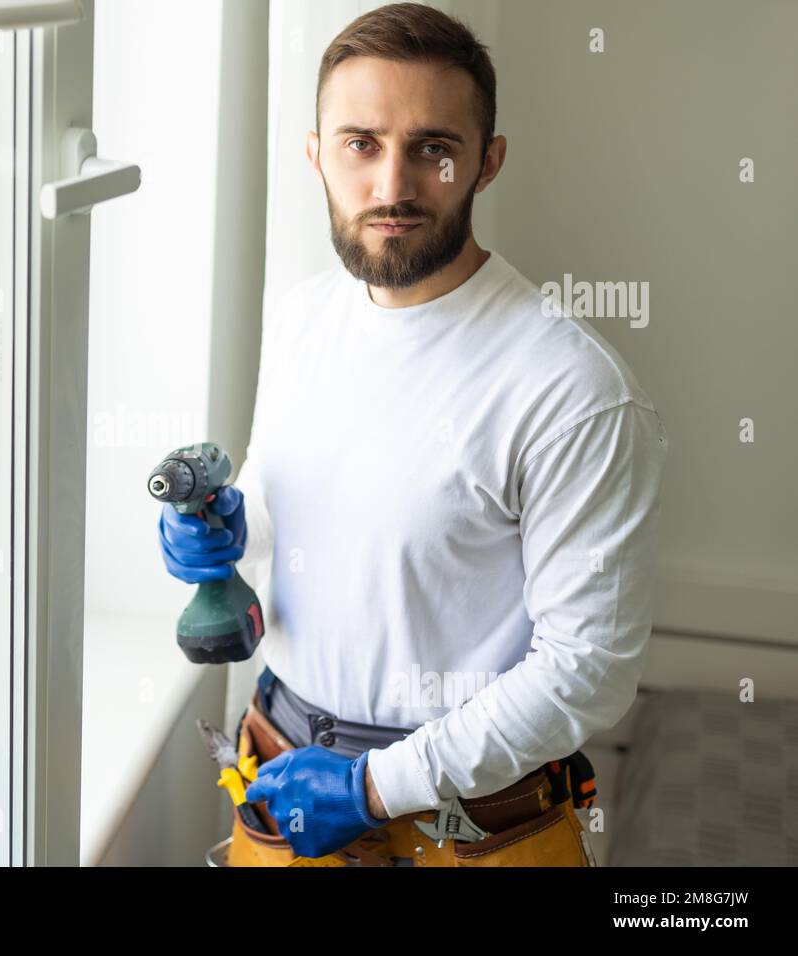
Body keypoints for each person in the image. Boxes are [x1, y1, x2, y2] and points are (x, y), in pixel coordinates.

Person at [158, 2, 668, 863]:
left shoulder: (572, 388)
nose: (392, 185)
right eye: (360, 143)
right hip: (276, 776)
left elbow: (588, 671)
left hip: (467, 827)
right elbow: (291, 511)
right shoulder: (301, 317)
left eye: (433, 148)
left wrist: (372, 788)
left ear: (487, 163)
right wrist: (224, 536)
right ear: (316, 154)